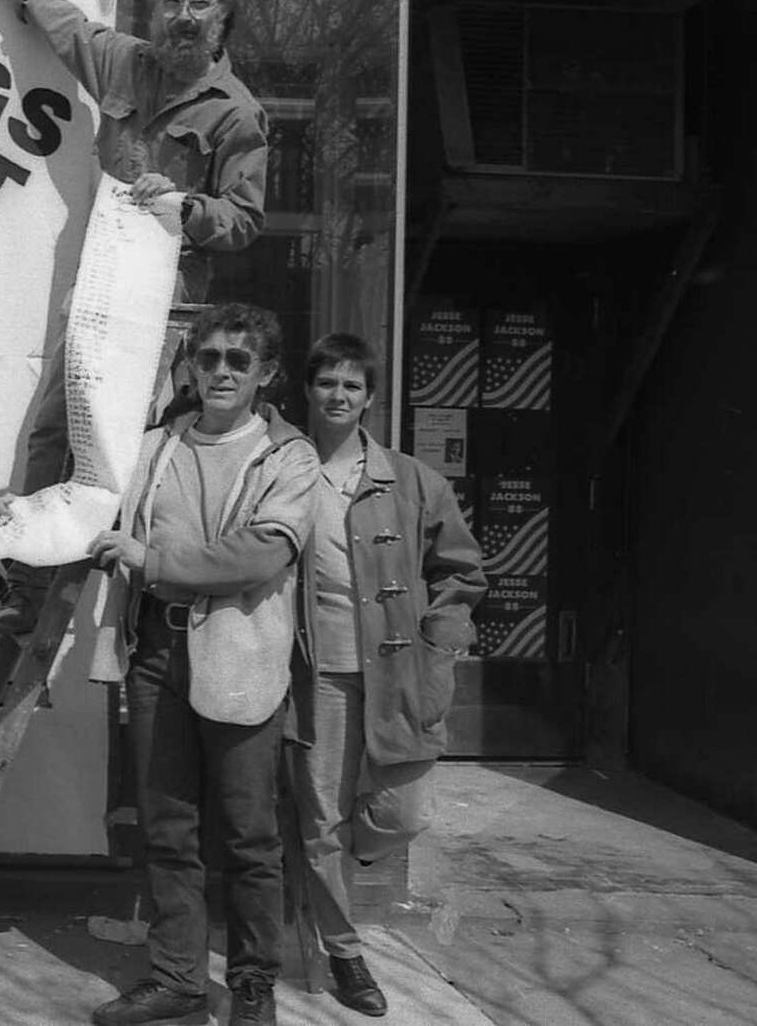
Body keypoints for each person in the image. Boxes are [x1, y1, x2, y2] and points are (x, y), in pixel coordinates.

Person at [0, 0, 270, 629]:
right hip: (100, 291)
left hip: (169, 311)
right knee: (53, 430)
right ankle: (28, 585)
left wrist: (185, 206)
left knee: (129, 452)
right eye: (173, 3)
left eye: (199, 5)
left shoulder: (237, 114)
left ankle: (135, 590)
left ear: (222, 18)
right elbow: (62, 25)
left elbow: (244, 220)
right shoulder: (126, 65)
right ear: (156, 12)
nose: (184, 17)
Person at [83, 303, 317, 1026]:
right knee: (167, 827)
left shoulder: (290, 456)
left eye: (238, 361)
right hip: (156, 651)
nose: (220, 371)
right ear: (191, 365)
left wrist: (152, 561)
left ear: (266, 374)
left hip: (241, 657)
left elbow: (260, 555)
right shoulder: (156, 446)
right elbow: (92, 509)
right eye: (209, 357)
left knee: (249, 835)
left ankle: (251, 986)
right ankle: (179, 980)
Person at [293, 334, 486, 1018]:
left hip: (399, 672)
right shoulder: (284, 469)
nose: (338, 396)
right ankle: (344, 952)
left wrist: (440, 645)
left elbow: (462, 573)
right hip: (313, 677)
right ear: (309, 391)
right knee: (320, 822)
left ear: (370, 398)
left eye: (351, 386)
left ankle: (324, 904)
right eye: (327, 384)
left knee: (398, 814)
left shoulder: (411, 479)